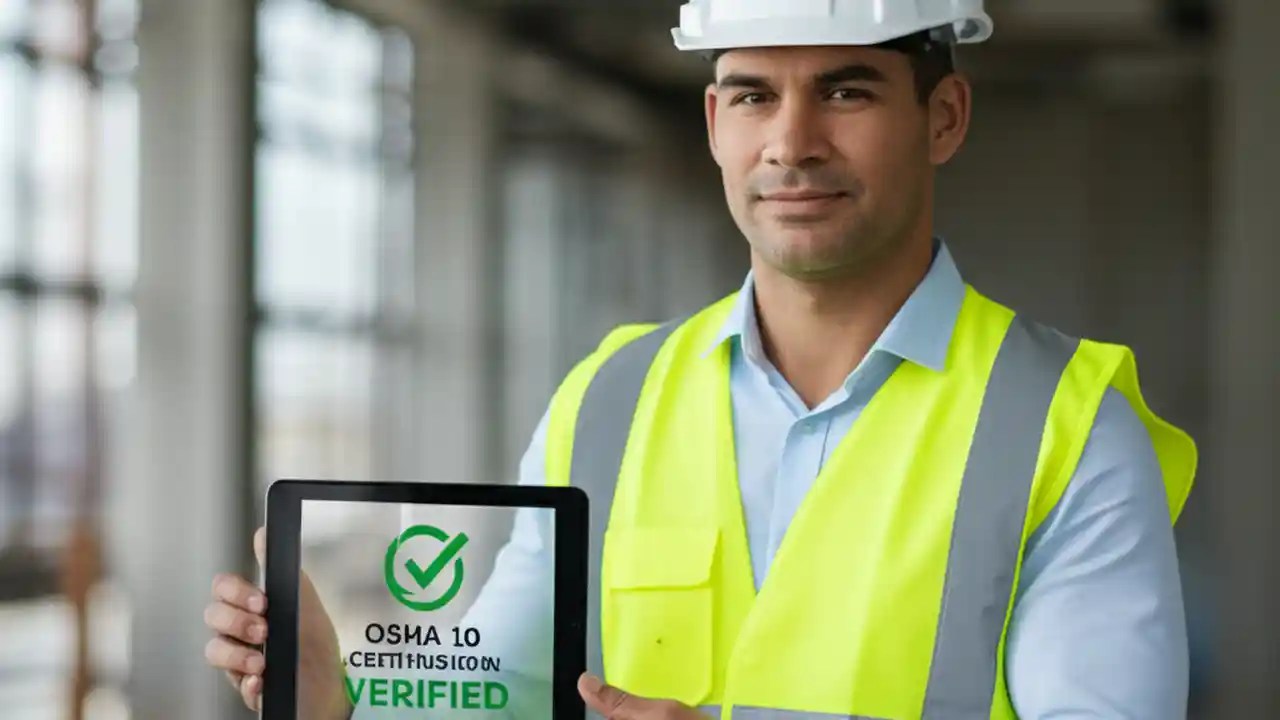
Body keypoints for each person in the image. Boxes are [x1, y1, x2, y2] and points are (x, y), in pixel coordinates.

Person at [205, 0, 1197, 717]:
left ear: (942, 118)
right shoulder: (608, 401)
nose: (791, 142)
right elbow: (504, 696)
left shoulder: (1066, 426)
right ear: (716, 122)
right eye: (754, 94)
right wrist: (339, 705)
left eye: (844, 90)